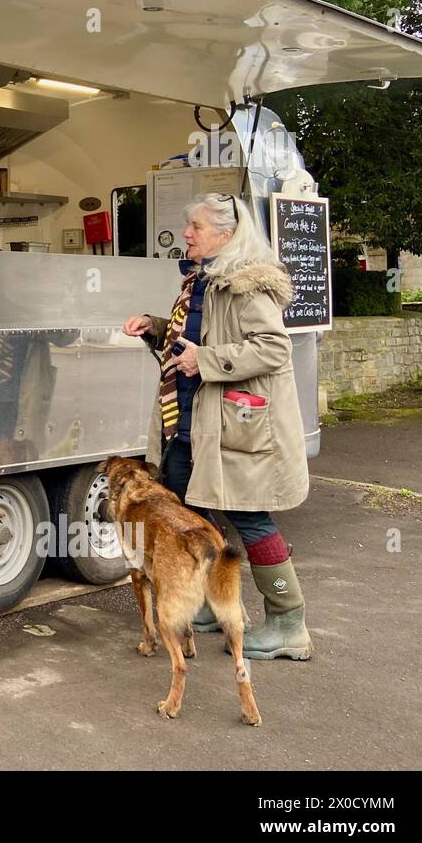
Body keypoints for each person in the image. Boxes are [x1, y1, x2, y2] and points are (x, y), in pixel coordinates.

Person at [123, 192, 313, 660]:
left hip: (234, 426)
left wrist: (204, 360)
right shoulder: (202, 282)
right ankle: (215, 605)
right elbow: (200, 334)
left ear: (226, 236)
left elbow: (272, 348)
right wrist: (155, 326)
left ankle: (289, 624)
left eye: (197, 228)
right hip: (192, 423)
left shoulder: (246, 285)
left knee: (249, 517)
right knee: (195, 514)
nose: (187, 234)